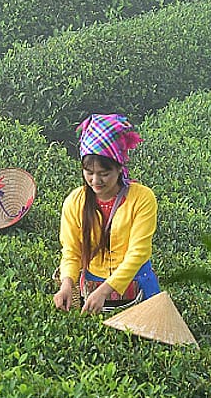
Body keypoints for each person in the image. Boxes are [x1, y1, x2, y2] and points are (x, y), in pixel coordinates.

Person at [53, 113, 161, 314]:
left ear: (120, 168)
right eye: (89, 173)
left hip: (135, 285)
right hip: (91, 289)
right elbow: (71, 251)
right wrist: (67, 283)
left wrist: (105, 290)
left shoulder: (142, 198)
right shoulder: (75, 202)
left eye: (104, 174)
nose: (95, 181)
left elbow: (139, 253)